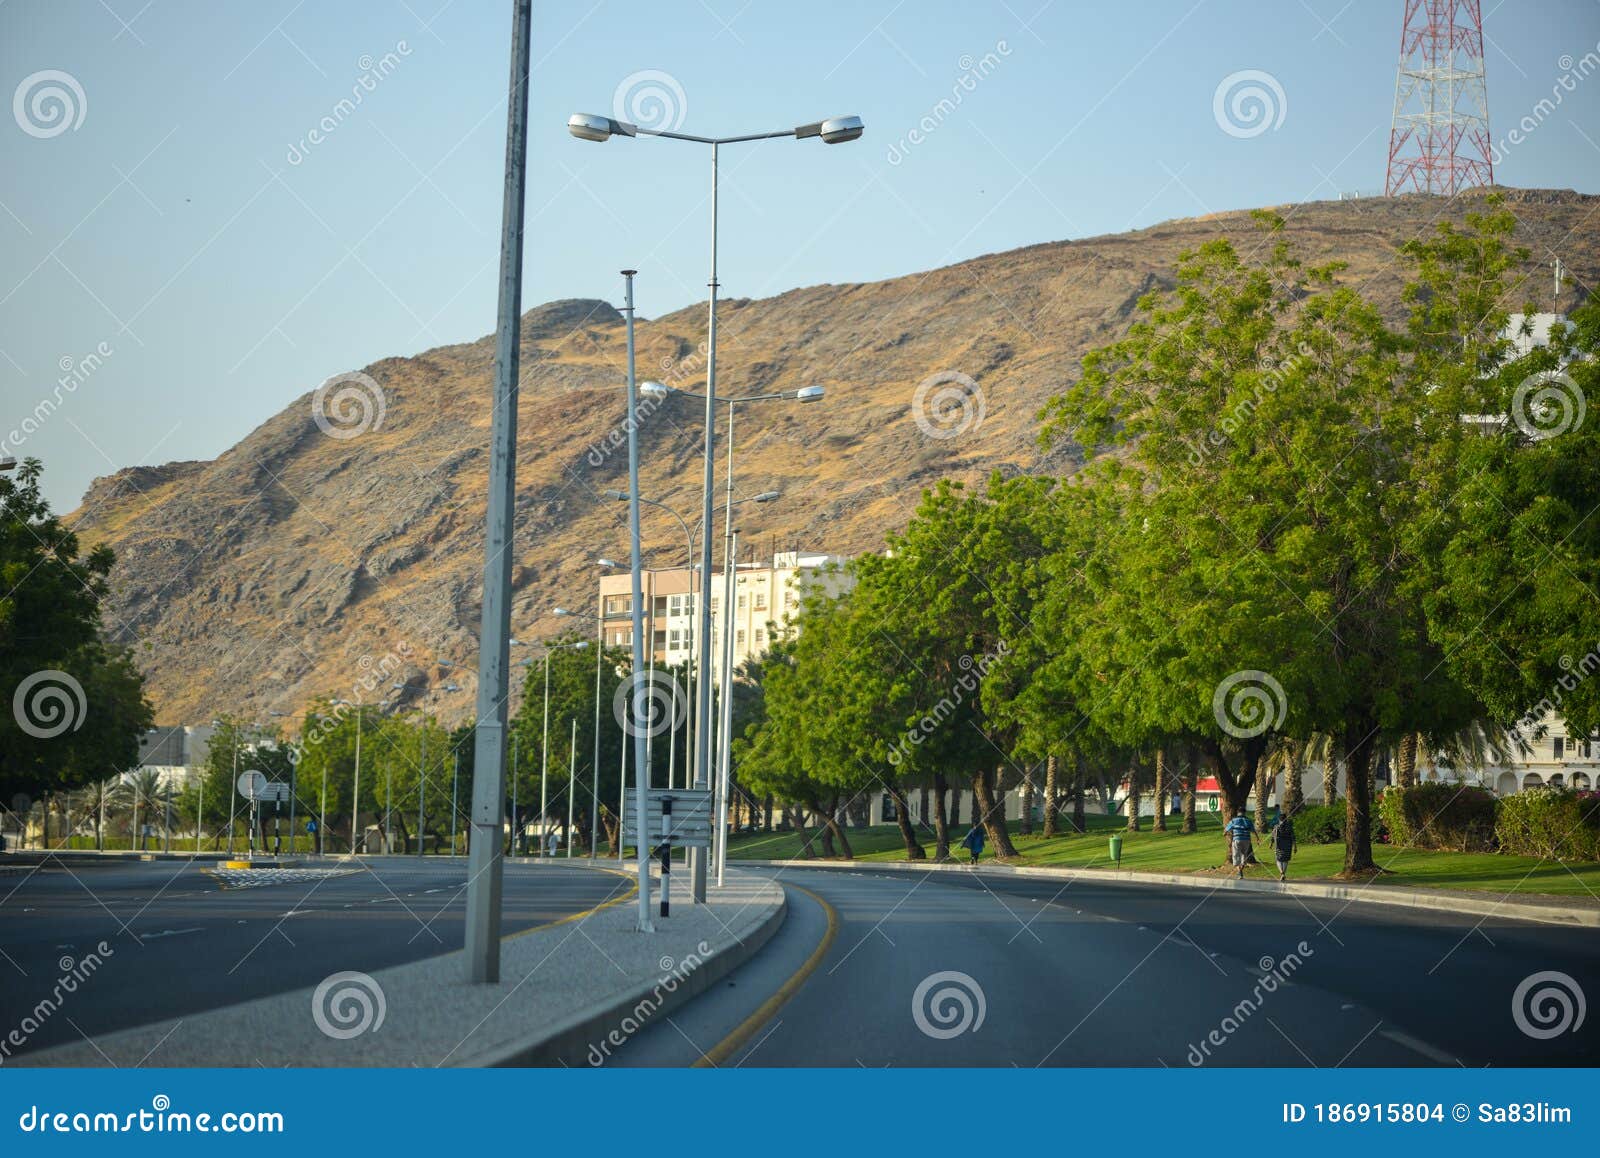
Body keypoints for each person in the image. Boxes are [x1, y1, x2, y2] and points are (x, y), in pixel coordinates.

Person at [1223, 812, 1255, 878]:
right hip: (1246, 840)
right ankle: (1241, 869)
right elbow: (1253, 830)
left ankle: (1239, 871)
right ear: (1244, 813)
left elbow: (1226, 830)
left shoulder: (1234, 820)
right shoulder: (1248, 821)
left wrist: (1224, 833)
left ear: (1238, 813)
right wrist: (1257, 838)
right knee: (1244, 855)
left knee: (1236, 855)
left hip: (1236, 840)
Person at [1270, 812, 1296, 882]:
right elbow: (1293, 837)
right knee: (1285, 860)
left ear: (1279, 819)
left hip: (1279, 845)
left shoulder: (1276, 826)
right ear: (1286, 818)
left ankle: (1281, 873)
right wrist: (1295, 847)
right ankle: (1283, 873)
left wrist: (1271, 844)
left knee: (1278, 859)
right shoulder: (1289, 826)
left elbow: (1273, 836)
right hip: (1288, 845)